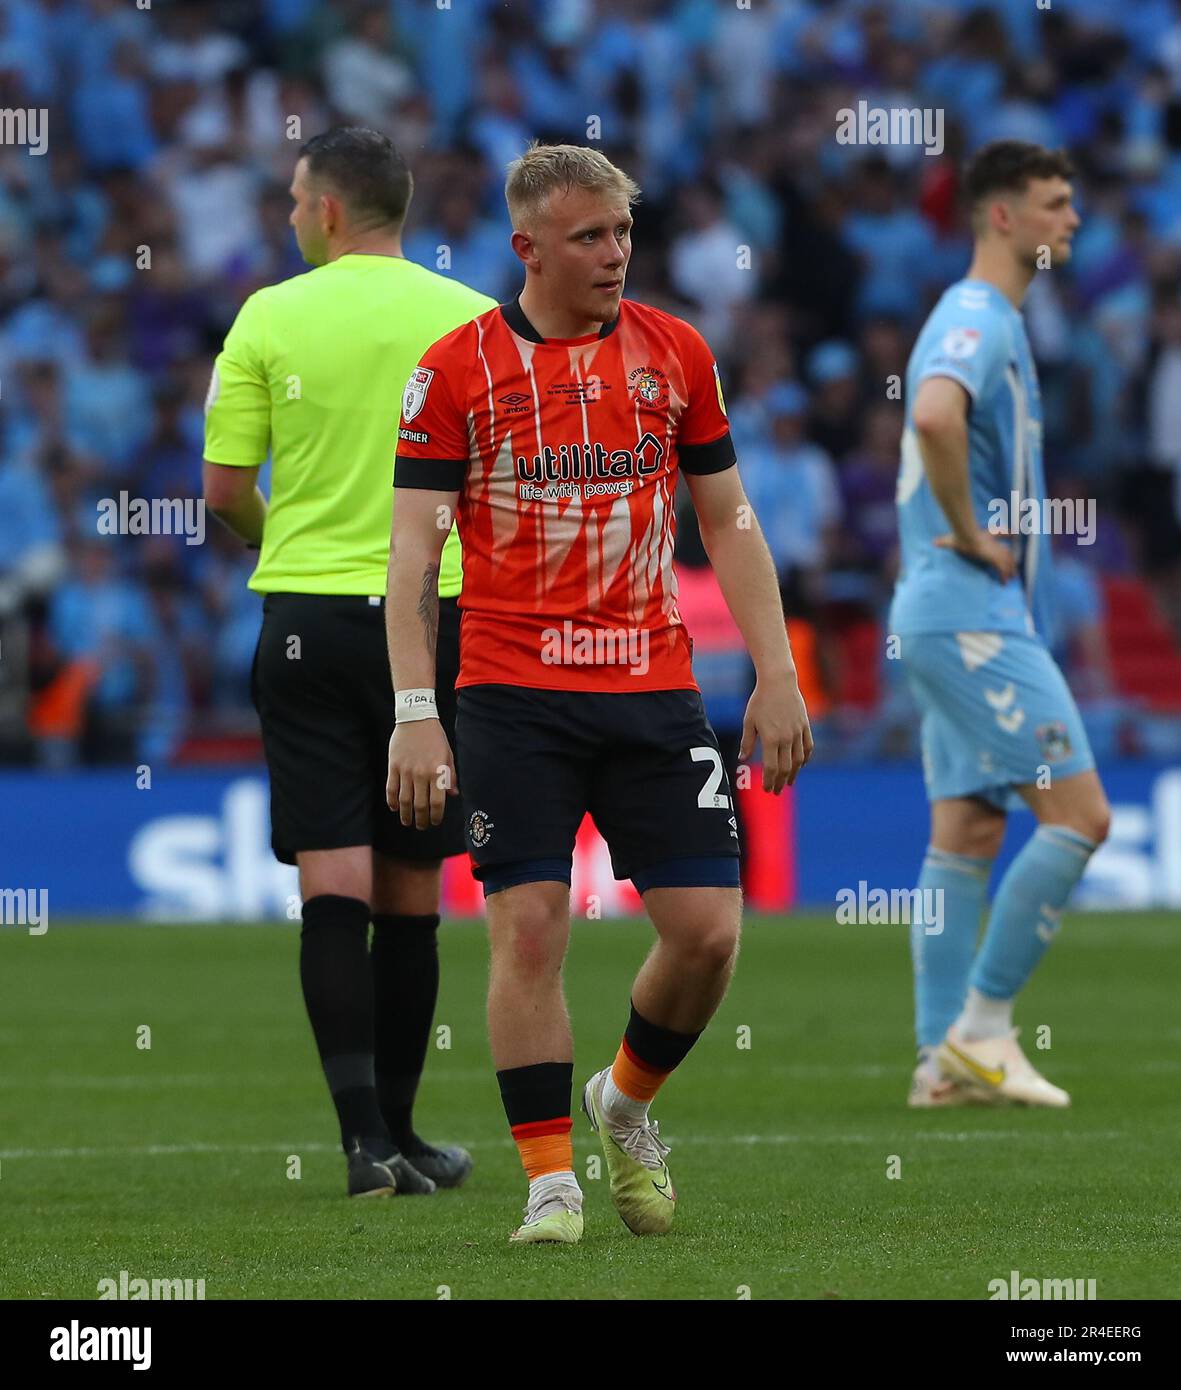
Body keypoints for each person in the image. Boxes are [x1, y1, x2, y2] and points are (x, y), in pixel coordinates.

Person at [385, 143, 813, 1243]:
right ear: (527, 247)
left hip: (652, 686)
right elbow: (411, 564)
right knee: (527, 928)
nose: (615, 253)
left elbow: (727, 519)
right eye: (589, 237)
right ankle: (550, 1184)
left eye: (623, 232)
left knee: (709, 934)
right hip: (511, 693)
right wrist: (416, 712)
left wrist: (776, 670)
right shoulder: (455, 372)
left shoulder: (676, 353)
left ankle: (623, 1102)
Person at [202, 127, 496, 1196]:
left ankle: (364, 1140)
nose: (288, 216)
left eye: (292, 200)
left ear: (327, 210)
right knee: (414, 889)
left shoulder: (270, 314)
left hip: (308, 622)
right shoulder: (469, 318)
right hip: (436, 615)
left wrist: (277, 543)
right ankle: (412, 1131)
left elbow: (226, 488)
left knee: (334, 885)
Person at [891, 141, 1111, 1109]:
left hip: (941, 611)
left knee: (970, 827)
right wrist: (975, 533)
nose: (1072, 221)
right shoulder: (978, 316)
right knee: (1083, 817)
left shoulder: (990, 316)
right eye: (1056, 205)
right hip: (969, 609)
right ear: (1002, 217)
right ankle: (983, 1029)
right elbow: (935, 418)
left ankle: (941, 1060)